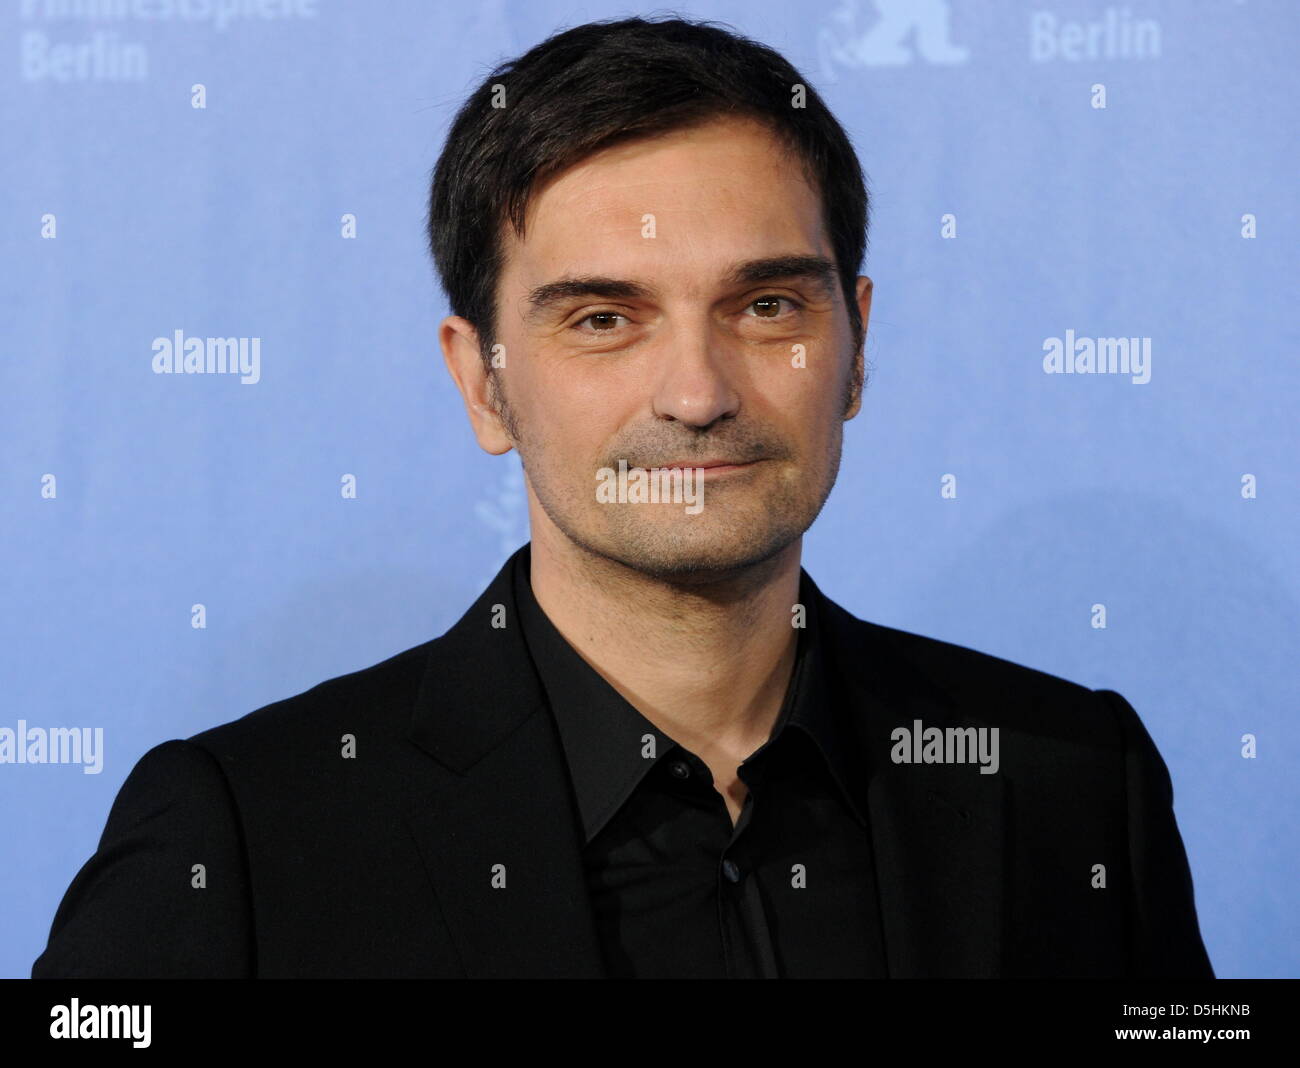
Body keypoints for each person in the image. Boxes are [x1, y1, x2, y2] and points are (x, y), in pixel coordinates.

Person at [31, 15, 1213, 979]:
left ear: (855, 349)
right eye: (604, 319)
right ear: (481, 382)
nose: (696, 394)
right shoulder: (245, 834)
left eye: (766, 307)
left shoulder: (1065, 781)